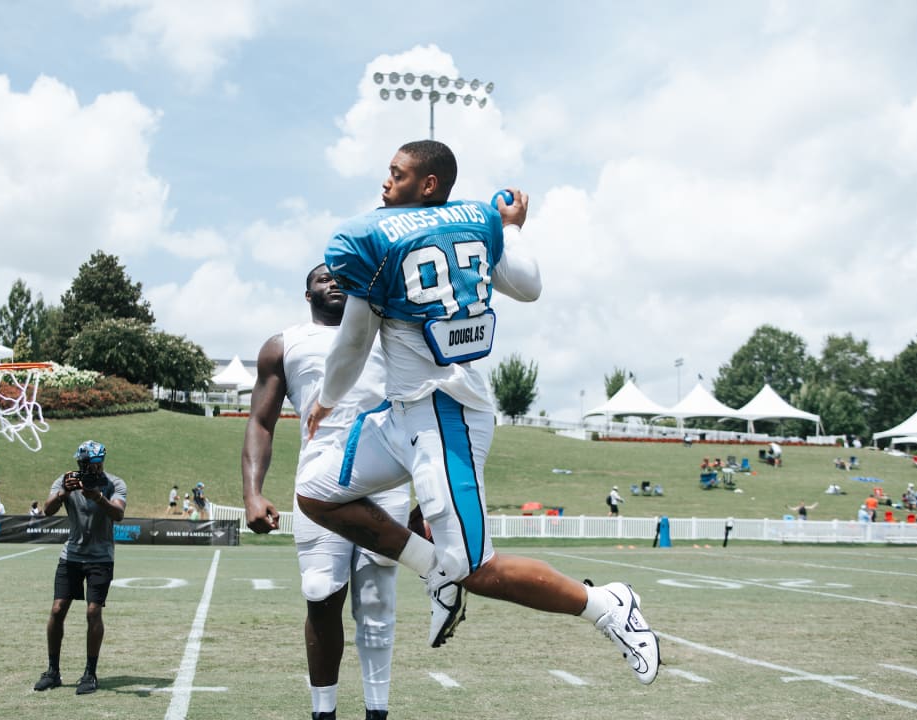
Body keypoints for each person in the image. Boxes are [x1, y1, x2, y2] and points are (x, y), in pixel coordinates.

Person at [296, 139, 659, 686]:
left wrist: (326, 399)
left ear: (429, 184)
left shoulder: (376, 244)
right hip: (404, 415)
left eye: (396, 174)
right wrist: (511, 228)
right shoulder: (475, 225)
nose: (384, 183)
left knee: (479, 570)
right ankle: (435, 569)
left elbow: (353, 342)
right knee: (316, 493)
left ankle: (606, 604)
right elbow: (529, 287)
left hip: (446, 418)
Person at [243, 263, 411, 720]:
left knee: (377, 603)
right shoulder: (283, 344)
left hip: (385, 481)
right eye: (322, 278)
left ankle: (378, 711)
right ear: (307, 293)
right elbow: (261, 421)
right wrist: (252, 493)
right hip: (320, 481)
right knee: (320, 593)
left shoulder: (388, 332)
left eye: (341, 276)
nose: (334, 281)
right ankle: (324, 713)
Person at [32, 440, 127, 696]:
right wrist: (64, 492)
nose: (94, 469)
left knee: (93, 612)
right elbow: (47, 510)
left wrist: (98, 497)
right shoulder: (65, 481)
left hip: (101, 557)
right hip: (71, 555)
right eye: (88, 464)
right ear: (80, 463)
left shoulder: (114, 483)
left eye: (98, 464)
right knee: (57, 608)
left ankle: (90, 672)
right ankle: (53, 671)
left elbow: (118, 514)